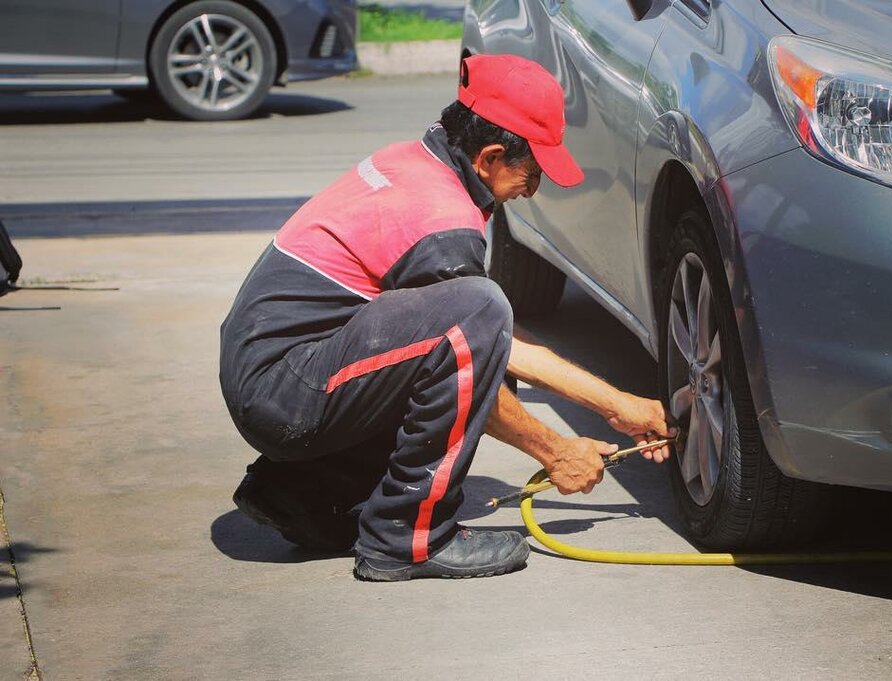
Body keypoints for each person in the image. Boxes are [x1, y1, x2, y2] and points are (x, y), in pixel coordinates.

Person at [219, 54, 675, 582]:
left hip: (277, 372)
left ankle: (302, 496)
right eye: (533, 170)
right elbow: (472, 341)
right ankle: (407, 540)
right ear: (491, 156)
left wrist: (617, 405)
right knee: (479, 317)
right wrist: (556, 451)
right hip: (285, 390)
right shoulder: (442, 222)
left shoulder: (414, 160)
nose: (534, 187)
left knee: (482, 325)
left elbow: (493, 340)